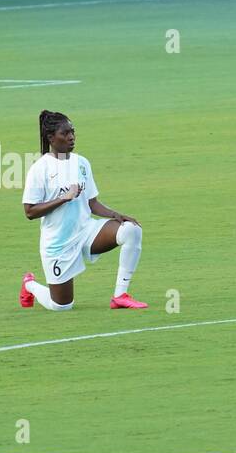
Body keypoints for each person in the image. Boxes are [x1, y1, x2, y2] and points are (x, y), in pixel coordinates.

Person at [19, 110, 146, 311]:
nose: (71, 137)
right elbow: (30, 212)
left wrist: (115, 215)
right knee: (61, 306)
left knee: (131, 230)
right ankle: (29, 284)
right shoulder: (39, 169)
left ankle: (120, 295)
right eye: (65, 133)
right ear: (51, 138)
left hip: (86, 232)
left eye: (73, 132)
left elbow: (92, 203)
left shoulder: (82, 163)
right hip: (58, 244)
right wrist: (63, 198)